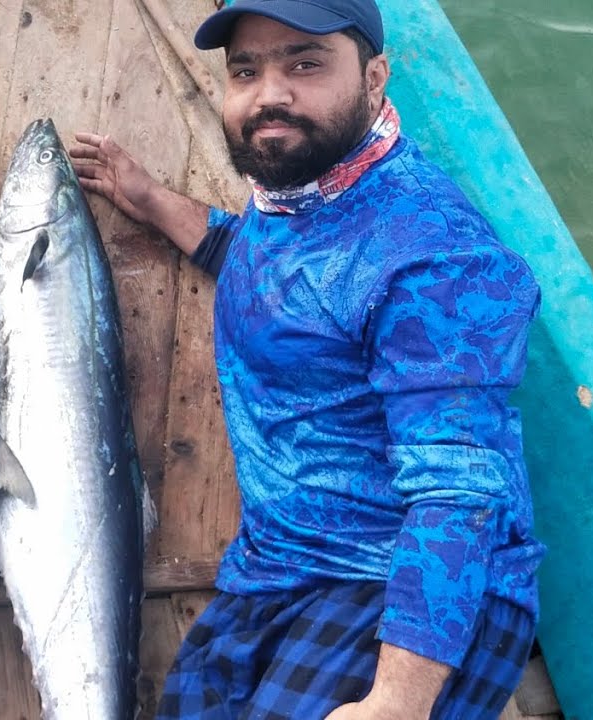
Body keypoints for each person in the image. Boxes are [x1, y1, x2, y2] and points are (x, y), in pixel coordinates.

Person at [69, 1, 546, 718]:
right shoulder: (297, 196)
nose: (269, 95)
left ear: (376, 77)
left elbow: (457, 496)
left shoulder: (436, 258)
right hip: (276, 567)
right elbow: (272, 270)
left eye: (305, 63)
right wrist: (150, 199)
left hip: (400, 587)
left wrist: (396, 702)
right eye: (246, 70)